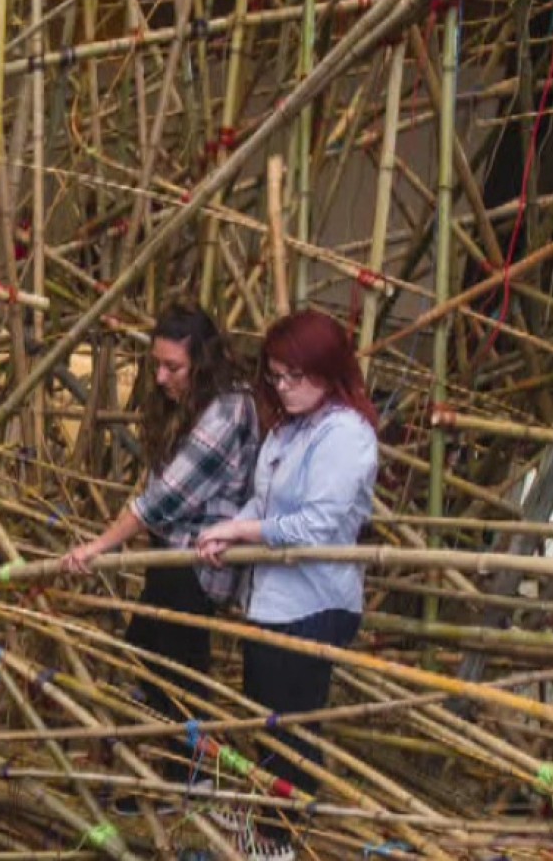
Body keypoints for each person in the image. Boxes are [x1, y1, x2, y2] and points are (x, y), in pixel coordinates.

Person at [196, 309, 380, 859]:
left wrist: (241, 528)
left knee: (291, 729)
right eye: (276, 376)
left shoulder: (346, 433)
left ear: (327, 370)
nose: (283, 387)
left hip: (315, 604)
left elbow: (317, 526)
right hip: (271, 601)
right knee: (265, 716)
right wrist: (228, 533)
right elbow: (266, 500)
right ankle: (266, 815)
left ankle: (279, 840)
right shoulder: (289, 428)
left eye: (294, 376)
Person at [61, 305, 258, 770]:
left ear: (203, 364)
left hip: (195, 567)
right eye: (157, 365)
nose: (162, 378)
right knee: (149, 660)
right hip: (173, 557)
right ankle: (163, 770)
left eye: (174, 367)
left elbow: (164, 500)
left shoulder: (229, 410)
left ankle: (183, 775)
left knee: (177, 676)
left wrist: (98, 546)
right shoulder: (196, 405)